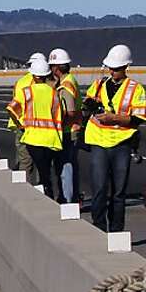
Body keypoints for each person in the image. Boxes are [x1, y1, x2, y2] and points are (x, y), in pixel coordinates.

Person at [84, 44, 146, 232]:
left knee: (118, 192)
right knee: (99, 189)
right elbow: (87, 104)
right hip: (98, 141)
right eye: (111, 67)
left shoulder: (136, 89)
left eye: (117, 68)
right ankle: (99, 229)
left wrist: (114, 118)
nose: (113, 71)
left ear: (126, 67)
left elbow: (138, 119)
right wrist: (92, 106)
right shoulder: (99, 84)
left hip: (121, 143)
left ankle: (116, 231)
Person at [7, 55, 64, 199]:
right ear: (46, 75)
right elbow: (59, 116)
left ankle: (25, 197)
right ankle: (47, 195)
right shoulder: (54, 94)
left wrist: (21, 124)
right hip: (51, 139)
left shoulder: (27, 92)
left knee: (26, 165)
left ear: (34, 75)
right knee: (45, 171)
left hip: (32, 137)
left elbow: (11, 109)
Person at [48, 48, 81, 203]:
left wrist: (57, 119)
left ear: (56, 67)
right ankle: (70, 197)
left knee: (66, 167)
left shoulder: (66, 85)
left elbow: (71, 111)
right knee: (69, 166)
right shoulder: (67, 80)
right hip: (70, 130)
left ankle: (69, 200)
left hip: (69, 131)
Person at [7, 52, 46, 183]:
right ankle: (43, 191)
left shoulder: (21, 82)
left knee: (24, 162)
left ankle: (24, 191)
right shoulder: (47, 85)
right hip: (42, 129)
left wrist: (20, 124)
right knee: (42, 164)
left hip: (23, 127)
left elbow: (13, 107)